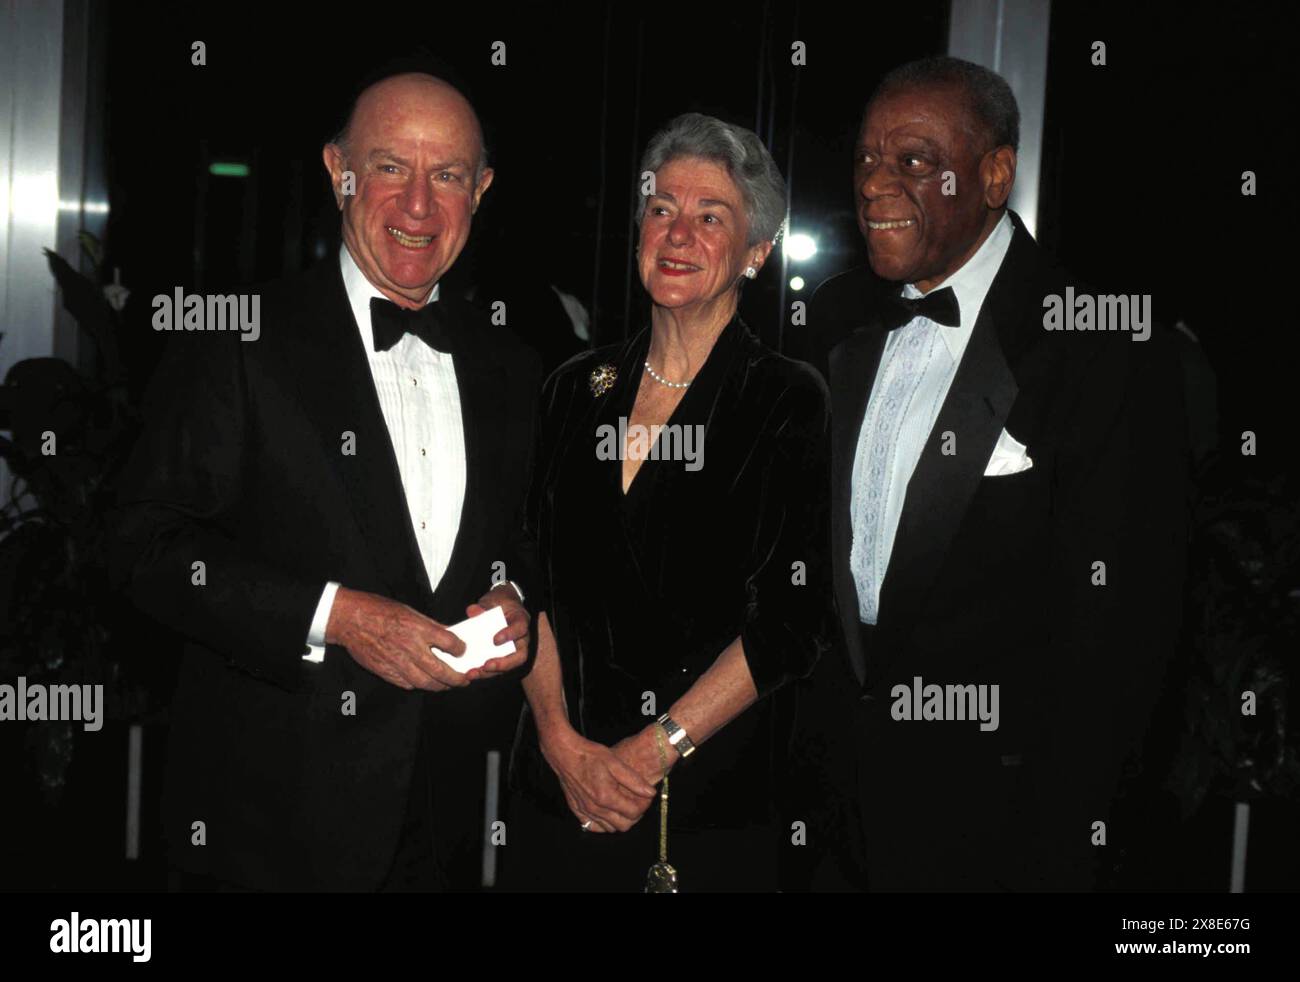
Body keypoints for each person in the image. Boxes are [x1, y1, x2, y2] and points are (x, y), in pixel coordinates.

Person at [108, 70, 541, 891]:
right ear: (337, 170)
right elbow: (142, 549)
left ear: (480, 191)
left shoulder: (511, 367)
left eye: (447, 174)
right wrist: (334, 615)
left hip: (443, 832)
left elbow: (526, 541)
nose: (419, 205)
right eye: (389, 167)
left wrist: (516, 597)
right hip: (262, 833)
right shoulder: (239, 340)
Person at [805, 56, 1188, 890]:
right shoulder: (837, 320)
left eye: (912, 160)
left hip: (1003, 836)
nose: (875, 184)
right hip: (835, 830)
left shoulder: (1105, 349)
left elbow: (1122, 652)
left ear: (993, 175)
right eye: (867, 159)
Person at [504, 113, 833, 892]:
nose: (678, 233)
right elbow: (526, 583)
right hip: (557, 793)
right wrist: (560, 741)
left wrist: (646, 755)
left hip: (702, 807)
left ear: (756, 253)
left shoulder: (786, 399)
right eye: (661, 209)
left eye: (710, 216)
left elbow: (792, 623)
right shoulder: (573, 389)